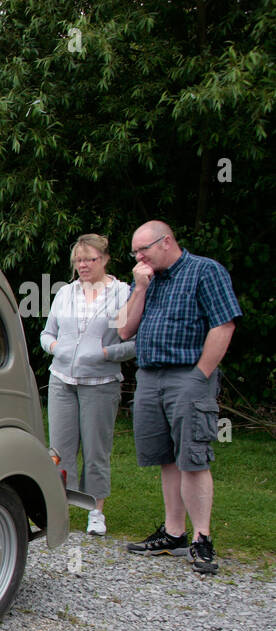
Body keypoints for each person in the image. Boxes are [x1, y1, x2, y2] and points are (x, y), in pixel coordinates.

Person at [115, 221, 240, 574]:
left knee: (193, 458)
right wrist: (139, 289)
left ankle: (202, 538)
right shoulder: (146, 280)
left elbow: (224, 324)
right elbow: (124, 329)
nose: (138, 257)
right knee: (166, 457)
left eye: (143, 249)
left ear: (166, 241)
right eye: (135, 252)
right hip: (150, 376)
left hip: (188, 375)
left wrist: (201, 374)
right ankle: (174, 533)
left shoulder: (205, 271)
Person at [41, 234, 136, 535]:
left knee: (96, 450)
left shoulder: (121, 294)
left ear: (105, 260)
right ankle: (60, 509)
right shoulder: (65, 293)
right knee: (59, 450)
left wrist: (106, 353)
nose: (83, 265)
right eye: (78, 260)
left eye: (89, 259)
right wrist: (56, 348)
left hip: (101, 382)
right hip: (62, 380)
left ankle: (96, 511)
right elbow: (46, 334)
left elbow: (133, 343)